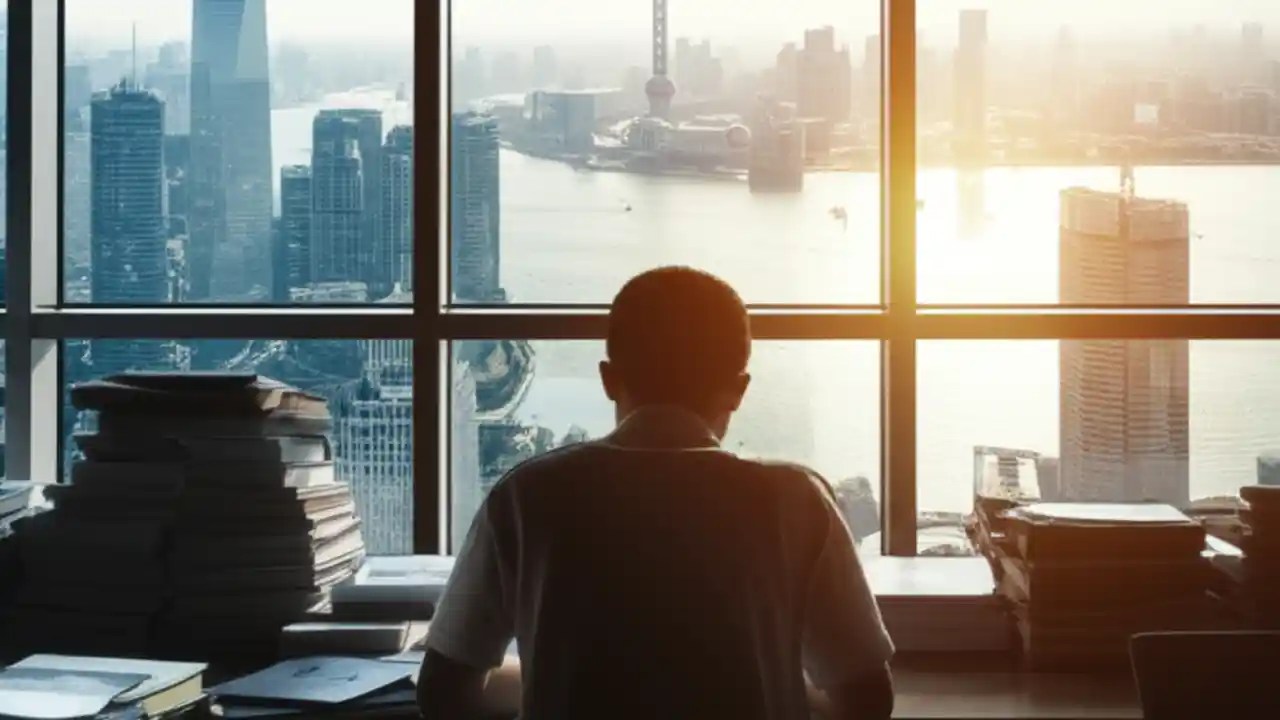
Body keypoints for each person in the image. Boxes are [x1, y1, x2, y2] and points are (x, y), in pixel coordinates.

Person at [419, 267, 895, 720]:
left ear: (608, 379)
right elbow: (868, 697)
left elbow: (443, 691)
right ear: (739, 390)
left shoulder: (526, 496)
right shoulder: (797, 501)